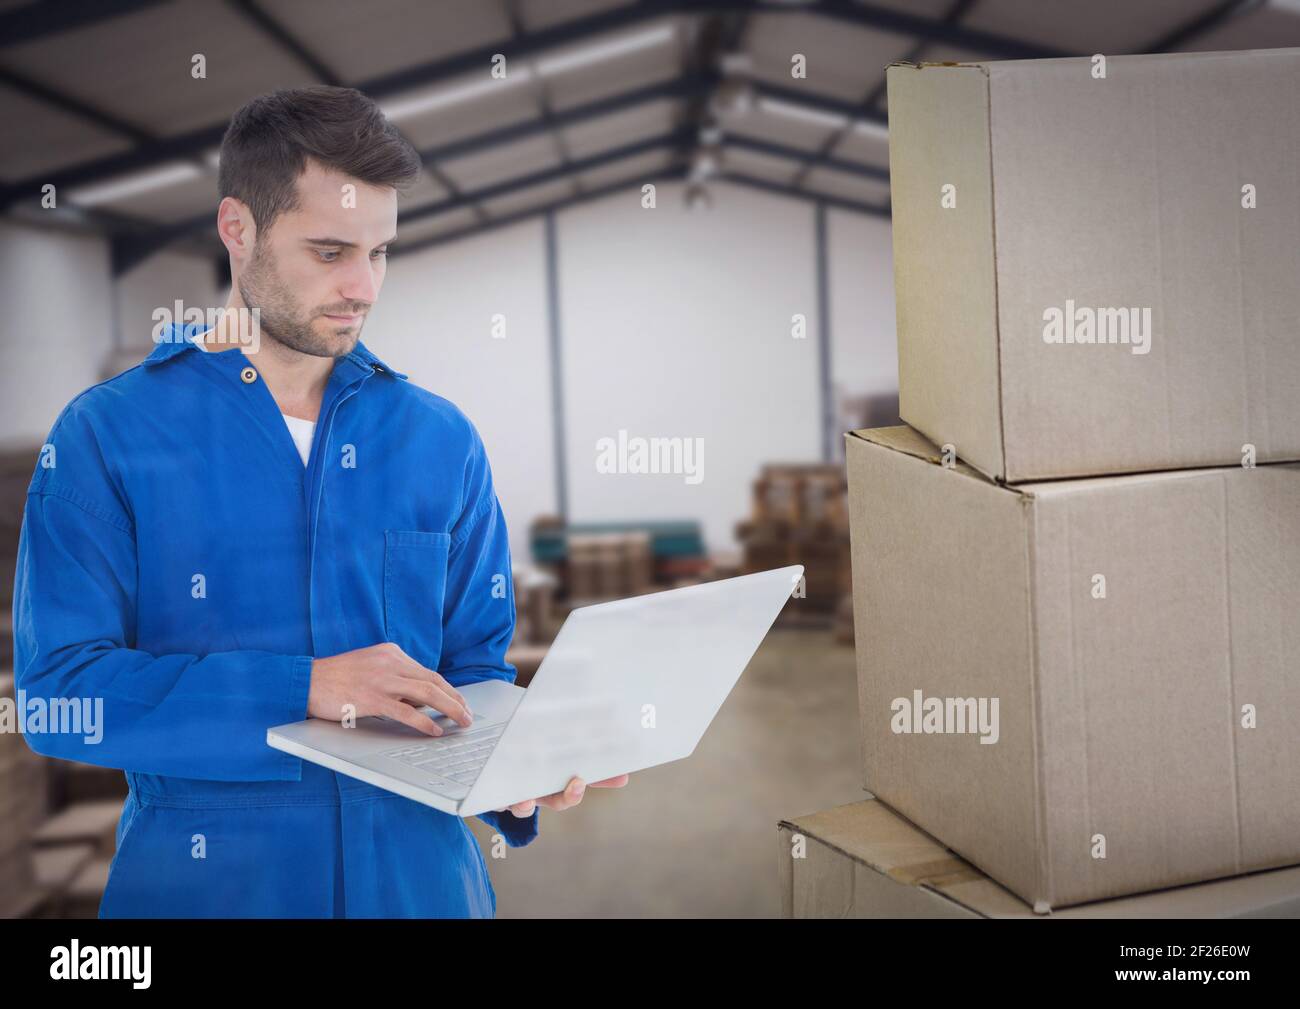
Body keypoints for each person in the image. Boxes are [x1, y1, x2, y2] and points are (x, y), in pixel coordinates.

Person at [12, 85, 627, 918]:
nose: (363, 286)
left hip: (422, 887)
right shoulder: (107, 437)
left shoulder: (440, 439)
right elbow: (59, 698)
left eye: (381, 252)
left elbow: (472, 673)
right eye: (331, 251)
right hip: (208, 886)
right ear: (238, 229)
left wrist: (513, 768)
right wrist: (299, 687)